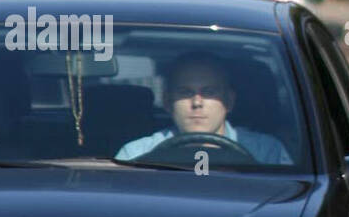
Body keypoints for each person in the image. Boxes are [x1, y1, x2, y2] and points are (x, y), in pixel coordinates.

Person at [116, 55, 291, 164]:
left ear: (229, 101)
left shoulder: (267, 153)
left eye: (209, 92)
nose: (197, 102)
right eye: (186, 92)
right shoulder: (135, 155)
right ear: (168, 102)